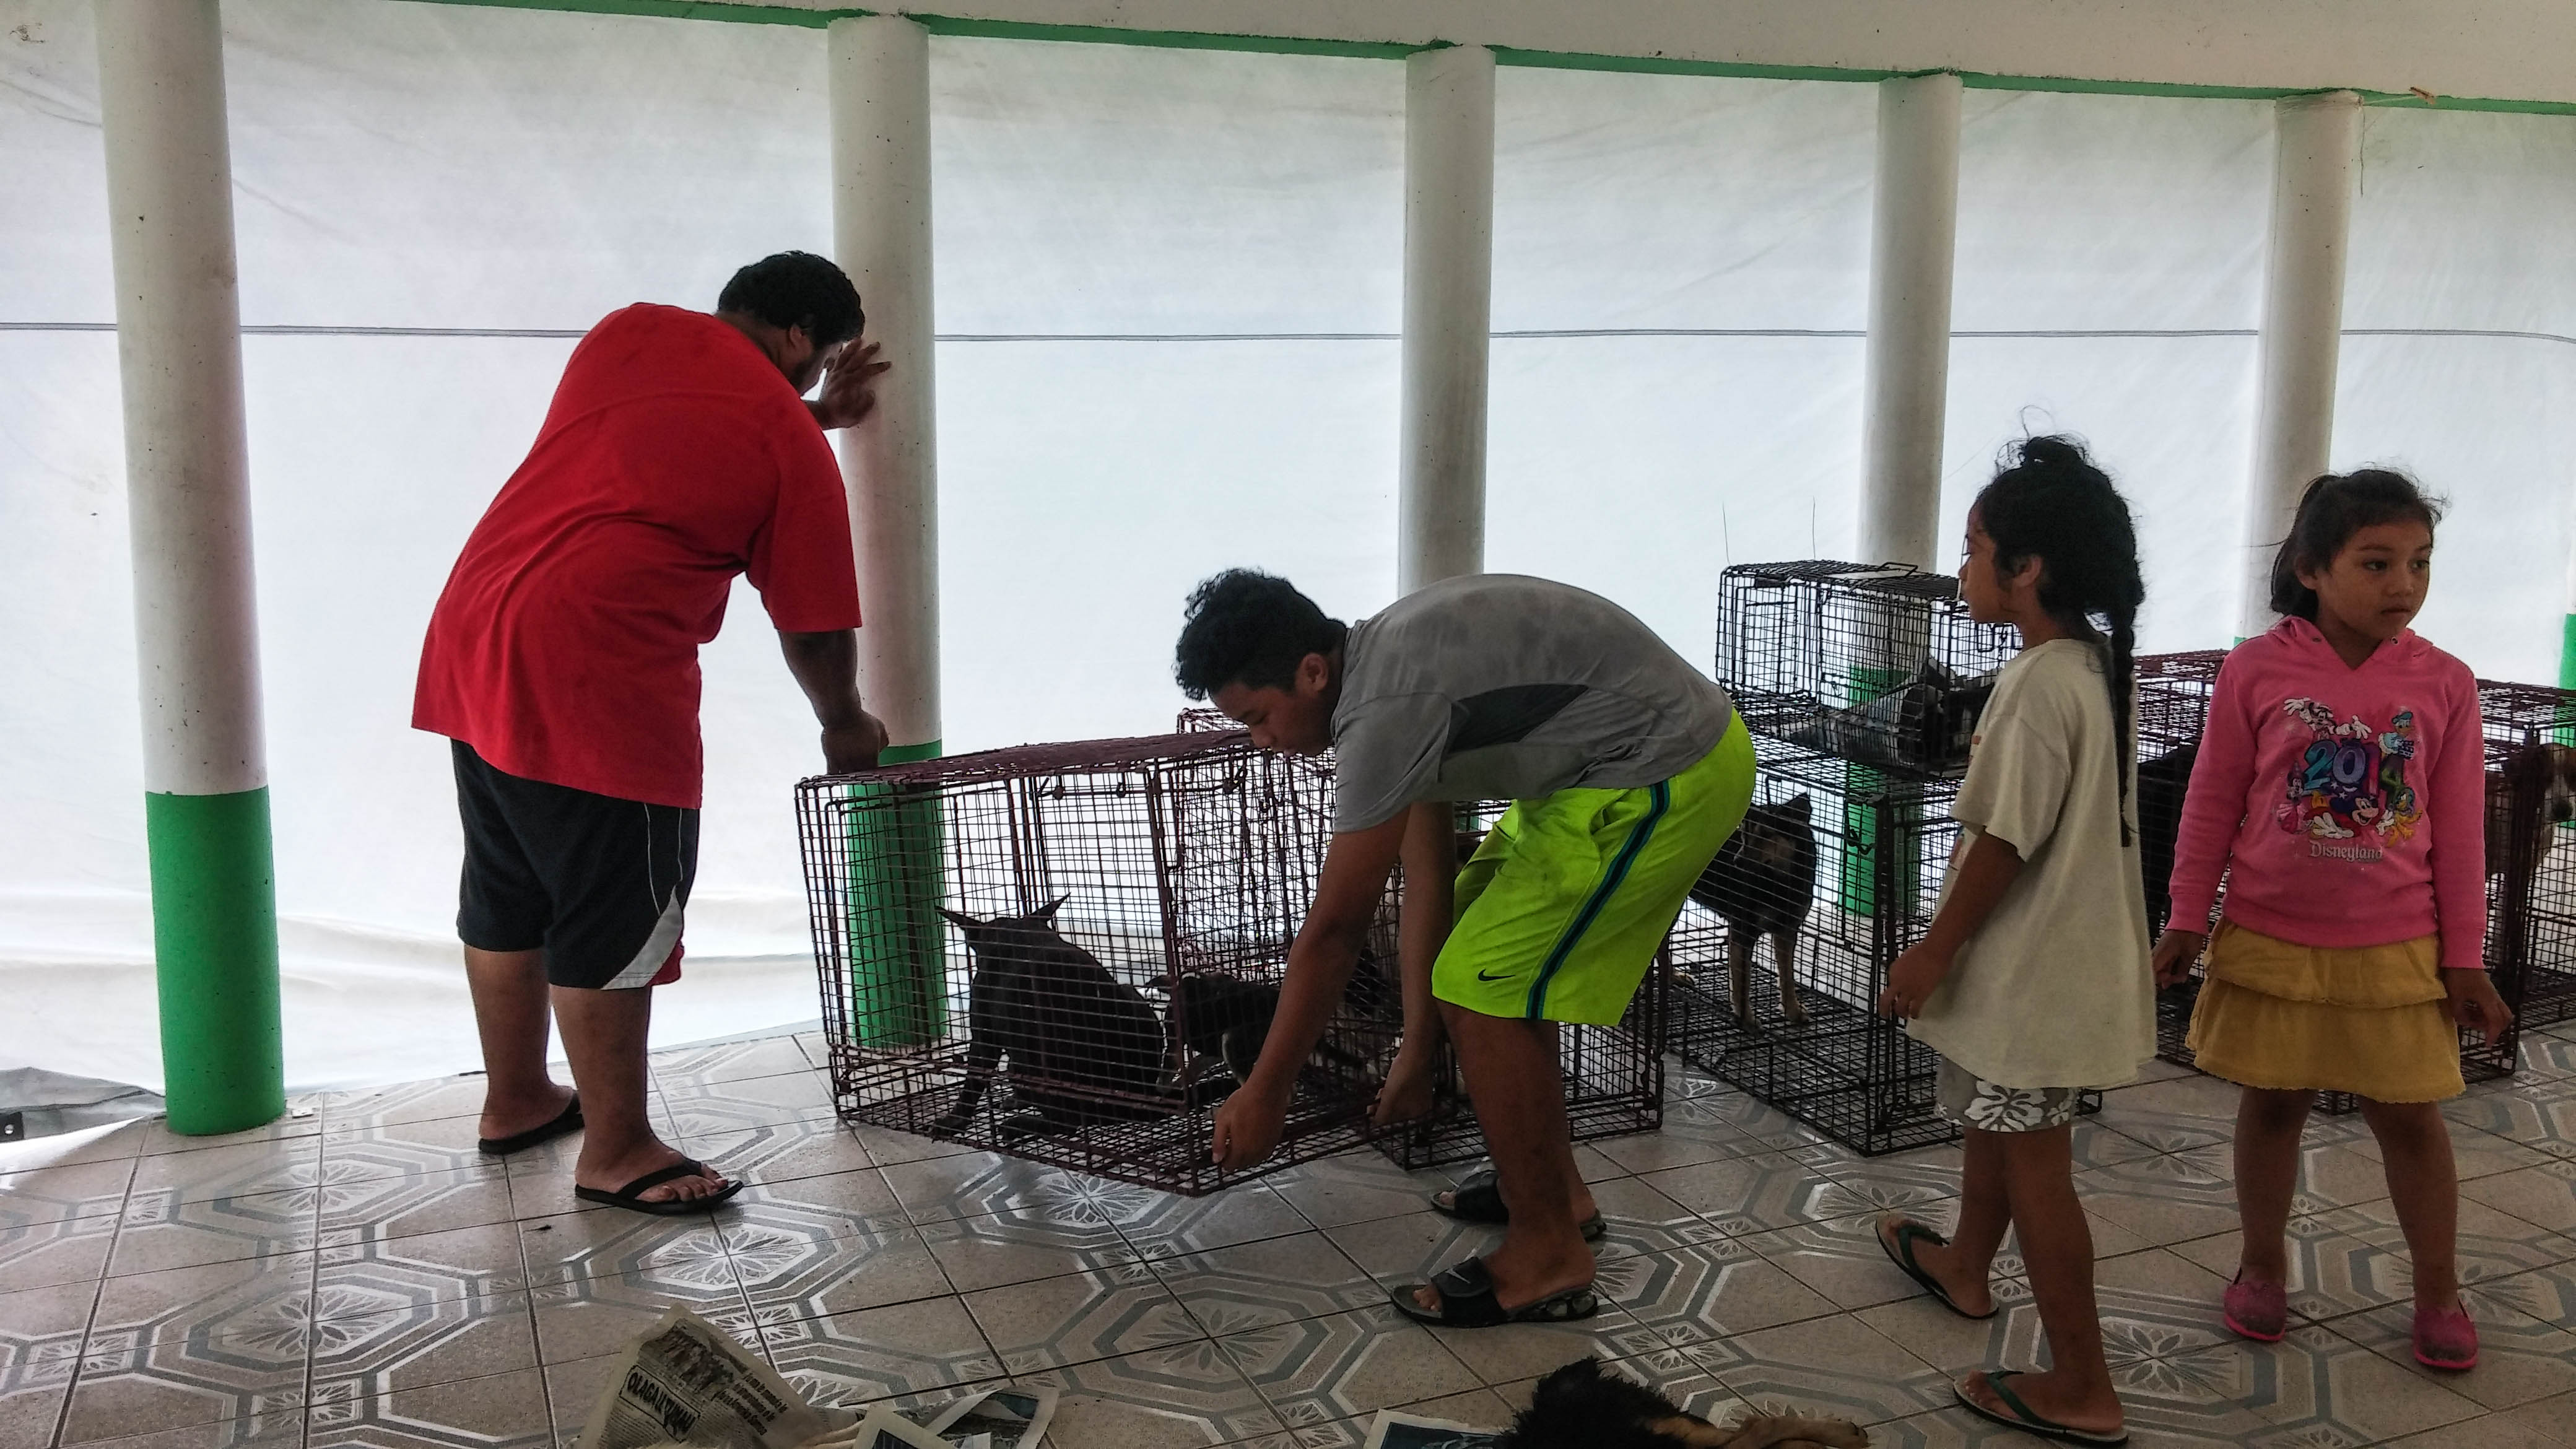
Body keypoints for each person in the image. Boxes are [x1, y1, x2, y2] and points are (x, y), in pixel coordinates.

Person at [413, 252, 892, 1215]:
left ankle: (515, 1101)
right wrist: (847, 724)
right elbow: (814, 627)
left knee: (510, 884)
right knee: (613, 903)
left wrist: (805, 415)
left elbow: (676, 434)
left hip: (477, 627)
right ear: (803, 339)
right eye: (820, 356)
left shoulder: (625, 333)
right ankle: (618, 1149)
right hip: (596, 666)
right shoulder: (789, 452)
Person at [1174, 569, 1755, 1326]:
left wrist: (1266, 1091)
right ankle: (1552, 1193)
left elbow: (1335, 931)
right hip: (1587, 774)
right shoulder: (1381, 669)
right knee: (1482, 947)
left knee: (1482, 986)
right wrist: (1417, 1046)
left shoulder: (1383, 711)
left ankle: (1549, 1254)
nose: (1261, 742)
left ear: (1311, 674)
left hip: (1667, 767)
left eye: (1258, 717)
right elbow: (1428, 879)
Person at [2152, 469, 2509, 1372]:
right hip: (2271, 938)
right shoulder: (2258, 668)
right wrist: (2187, 918)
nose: (2405, 584)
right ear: (2312, 569)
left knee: (2412, 1123)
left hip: (2398, 950)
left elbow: (2462, 834)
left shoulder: (2447, 685)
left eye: (2420, 563)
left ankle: (2438, 1291)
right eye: (2378, 562)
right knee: (2272, 1110)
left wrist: (2465, 957)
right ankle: (2262, 1268)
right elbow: (2211, 803)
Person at [1870, 437, 2156, 1447]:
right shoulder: (2088, 669)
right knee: (1995, 1122)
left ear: (2027, 568)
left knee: (2040, 1168)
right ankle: (1963, 1268)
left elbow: (2002, 839)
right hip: (2053, 979)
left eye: (1974, 546)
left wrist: (1931, 952)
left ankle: (2084, 1382)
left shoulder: (2040, 686)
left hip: (2041, 984)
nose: (1963, 568)